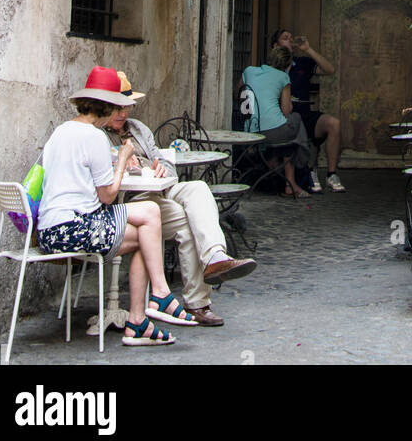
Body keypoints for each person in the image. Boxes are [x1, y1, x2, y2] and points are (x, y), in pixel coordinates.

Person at [37, 65, 196, 347]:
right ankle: (151, 304)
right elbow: (108, 195)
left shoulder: (60, 132)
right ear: (108, 107)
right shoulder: (95, 137)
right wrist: (122, 159)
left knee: (150, 213)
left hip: (51, 227)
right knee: (148, 231)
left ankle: (143, 315)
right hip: (74, 228)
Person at [102, 71, 256, 328]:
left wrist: (161, 167)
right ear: (104, 107)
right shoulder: (98, 136)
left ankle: (216, 257)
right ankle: (197, 303)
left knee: (197, 188)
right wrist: (126, 164)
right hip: (130, 201)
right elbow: (103, 178)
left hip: (159, 191)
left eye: (126, 107)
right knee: (186, 221)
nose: (122, 113)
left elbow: (165, 164)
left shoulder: (138, 129)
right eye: (116, 108)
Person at [271, 29, 345, 193]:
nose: (290, 40)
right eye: (285, 38)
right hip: (282, 117)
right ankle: (306, 172)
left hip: (304, 114)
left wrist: (308, 49)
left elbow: (330, 70)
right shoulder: (270, 69)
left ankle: (331, 174)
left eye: (291, 38)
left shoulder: (302, 62)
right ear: (275, 46)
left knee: (334, 124)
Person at [240, 46, 311, 198]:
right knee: (295, 119)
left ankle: (274, 167)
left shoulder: (249, 71)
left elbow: (238, 92)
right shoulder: (283, 77)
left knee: (287, 133)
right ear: (287, 66)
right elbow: (286, 109)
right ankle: (298, 171)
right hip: (274, 131)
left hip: (250, 129)